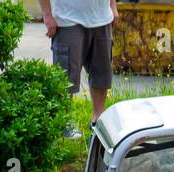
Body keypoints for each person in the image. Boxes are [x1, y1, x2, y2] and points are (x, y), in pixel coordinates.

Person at [41, 0, 119, 133]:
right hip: (67, 19)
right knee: (65, 78)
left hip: (102, 18)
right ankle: (64, 123)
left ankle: (98, 120)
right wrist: (47, 14)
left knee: (102, 73)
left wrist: (113, 5)